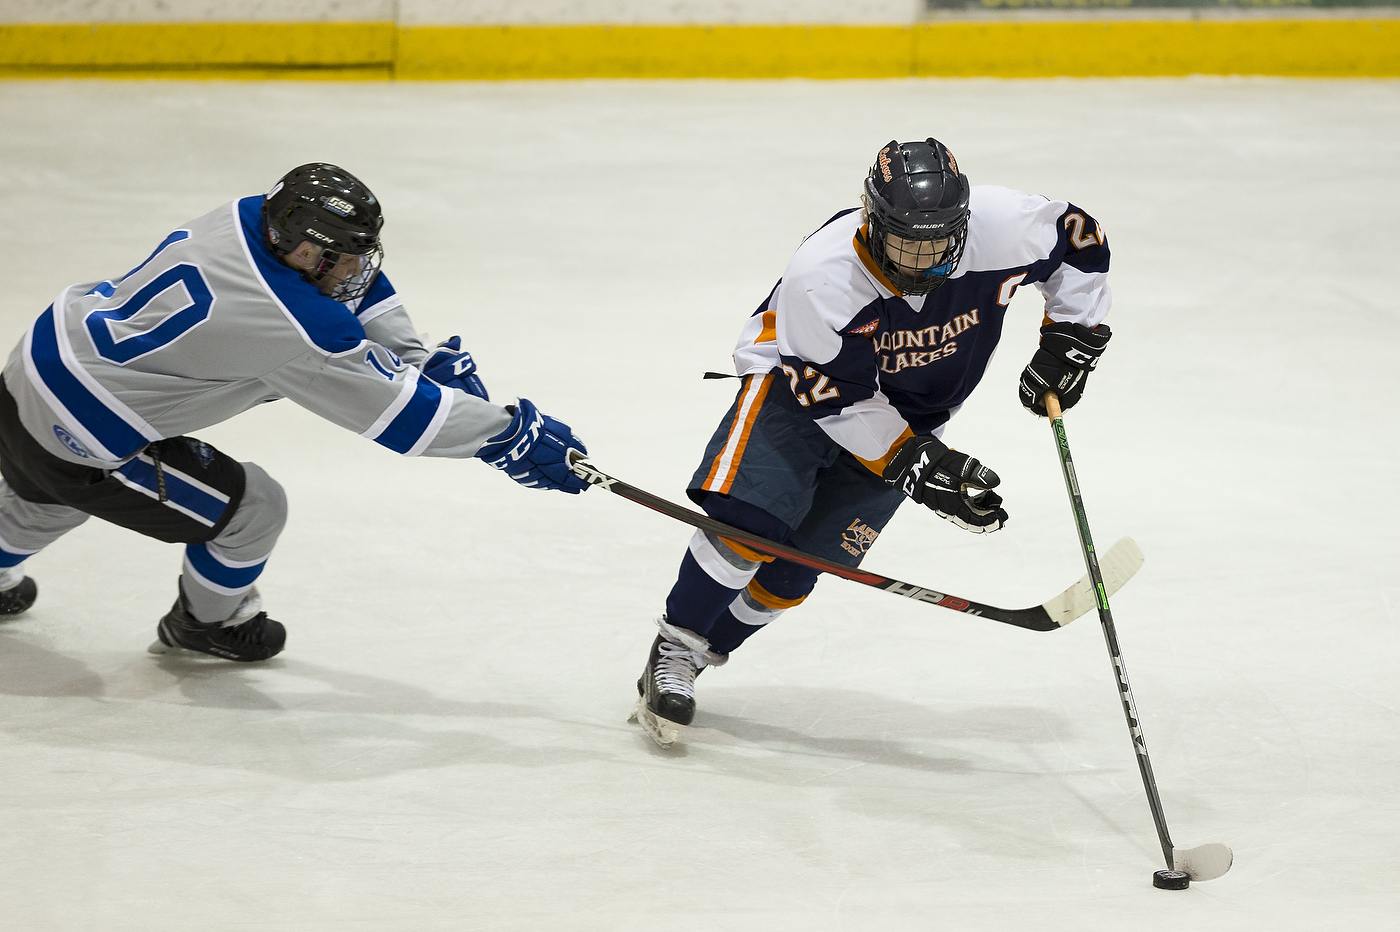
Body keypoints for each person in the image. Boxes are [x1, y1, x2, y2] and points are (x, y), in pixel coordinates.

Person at [631, 138, 1113, 747]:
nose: (925, 256)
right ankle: (675, 648)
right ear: (872, 220)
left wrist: (1072, 335)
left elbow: (1079, 240)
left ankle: (704, 657)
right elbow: (833, 397)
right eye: (908, 240)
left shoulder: (1005, 227)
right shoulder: (825, 276)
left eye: (939, 239)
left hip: (916, 407)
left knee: (805, 563)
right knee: (748, 526)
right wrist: (916, 463)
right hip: (798, 386)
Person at [0, 163, 587, 661]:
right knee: (254, 510)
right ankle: (207, 625)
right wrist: (510, 436)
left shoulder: (248, 214)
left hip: (29, 367)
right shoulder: (295, 326)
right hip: (78, 431)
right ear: (303, 248)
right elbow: (408, 418)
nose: (356, 269)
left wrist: (416, 355)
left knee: (43, 496)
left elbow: (353, 286)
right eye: (339, 257)